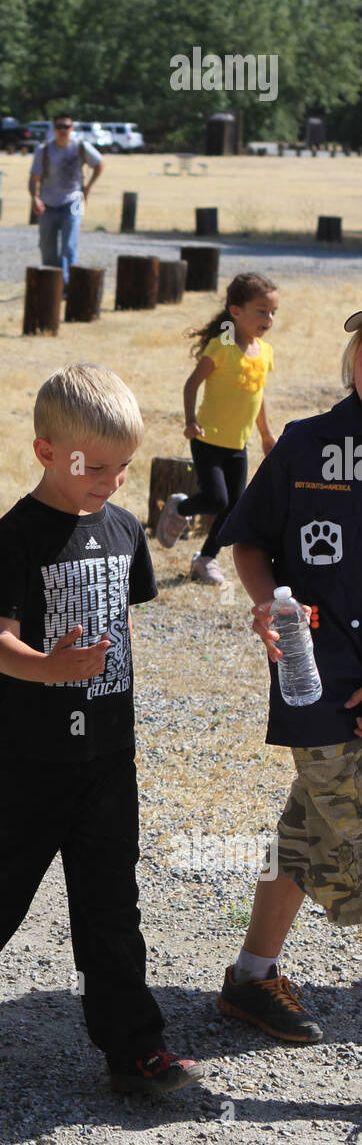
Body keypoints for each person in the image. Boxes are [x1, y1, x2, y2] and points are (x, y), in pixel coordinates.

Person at [0, 363, 205, 1097]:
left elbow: (123, 620)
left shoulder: (120, 529)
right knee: (2, 880)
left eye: (123, 468)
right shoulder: (13, 538)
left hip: (108, 755)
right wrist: (53, 668)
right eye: (96, 467)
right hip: (28, 755)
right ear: (47, 453)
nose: (111, 481)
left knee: (112, 900)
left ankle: (133, 1049)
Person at [213, 311, 362, 1043]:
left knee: (307, 828)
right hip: (322, 686)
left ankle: (250, 978)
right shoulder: (308, 445)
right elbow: (249, 539)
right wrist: (266, 602)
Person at [156, 272, 278, 584]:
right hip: (207, 439)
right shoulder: (220, 347)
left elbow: (258, 394)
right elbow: (191, 385)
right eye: (262, 310)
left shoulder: (264, 351)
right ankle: (181, 506)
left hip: (238, 444)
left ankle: (207, 557)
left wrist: (265, 434)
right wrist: (189, 422)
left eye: (273, 312)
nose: (270, 318)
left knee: (234, 507)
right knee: (219, 500)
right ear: (236, 311)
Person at [28, 114, 103, 286]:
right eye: (59, 126)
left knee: (69, 246)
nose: (63, 130)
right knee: (47, 247)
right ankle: (51, 285)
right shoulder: (44, 150)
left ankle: (68, 286)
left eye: (67, 126)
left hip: (74, 200)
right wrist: (35, 198)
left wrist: (88, 187)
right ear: (54, 129)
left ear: (72, 129)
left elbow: (99, 163)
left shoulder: (80, 147)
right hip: (48, 202)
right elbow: (34, 179)